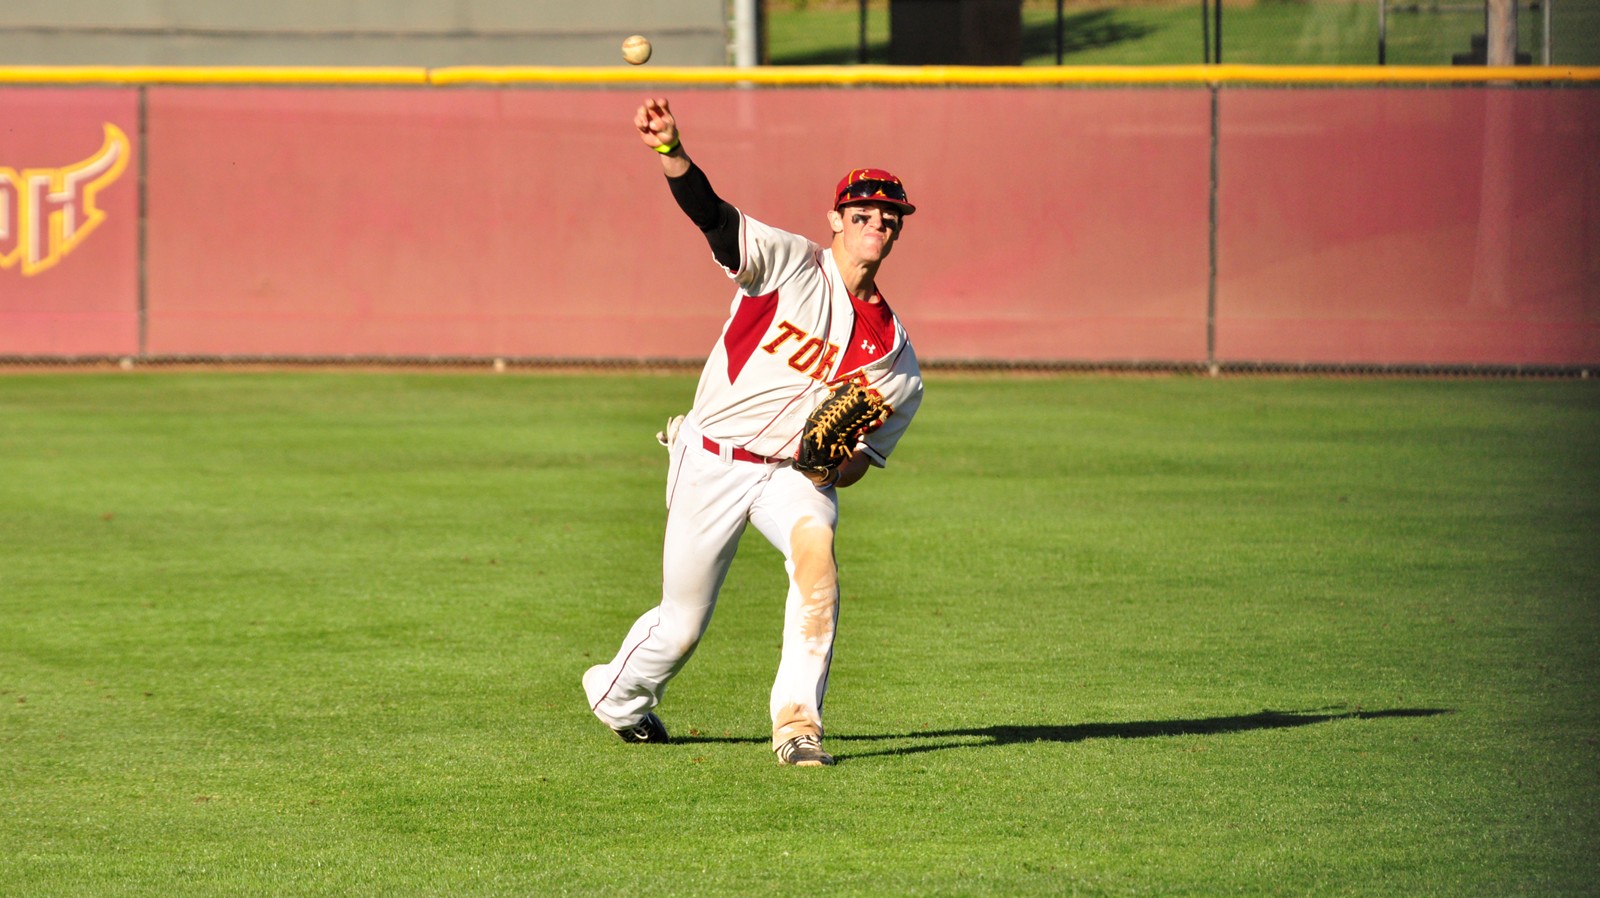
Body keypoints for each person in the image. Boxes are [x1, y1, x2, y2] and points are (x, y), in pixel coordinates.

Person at [582, 97, 924, 767]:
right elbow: (713, 218)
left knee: (817, 567)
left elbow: (859, 462)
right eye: (862, 213)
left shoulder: (894, 358)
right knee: (680, 625)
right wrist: (671, 153)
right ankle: (618, 699)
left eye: (888, 217)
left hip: (791, 477)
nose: (875, 223)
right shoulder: (789, 264)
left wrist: (833, 467)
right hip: (711, 457)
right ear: (836, 221)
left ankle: (798, 726)